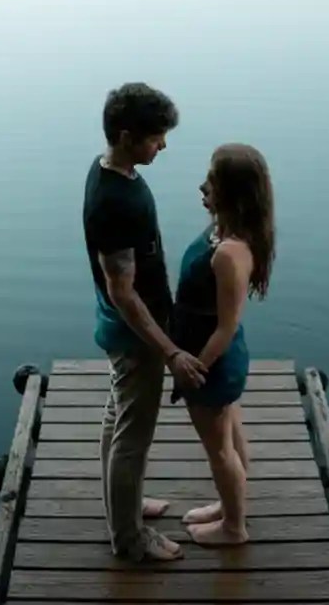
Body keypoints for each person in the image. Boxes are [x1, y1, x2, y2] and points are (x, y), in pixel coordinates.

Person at [82, 83, 210, 562]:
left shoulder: (109, 170)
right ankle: (129, 538)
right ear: (126, 134)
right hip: (134, 334)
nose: (163, 146)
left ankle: (124, 504)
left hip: (124, 326)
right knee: (133, 437)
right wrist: (170, 350)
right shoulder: (114, 201)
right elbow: (122, 290)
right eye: (156, 137)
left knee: (119, 420)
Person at [172, 143, 275, 546]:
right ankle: (231, 503)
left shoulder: (230, 254)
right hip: (217, 360)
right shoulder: (224, 232)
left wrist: (193, 371)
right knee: (230, 433)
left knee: (219, 451)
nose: (202, 187)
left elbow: (227, 326)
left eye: (211, 182)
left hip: (213, 363)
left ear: (231, 192)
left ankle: (234, 527)